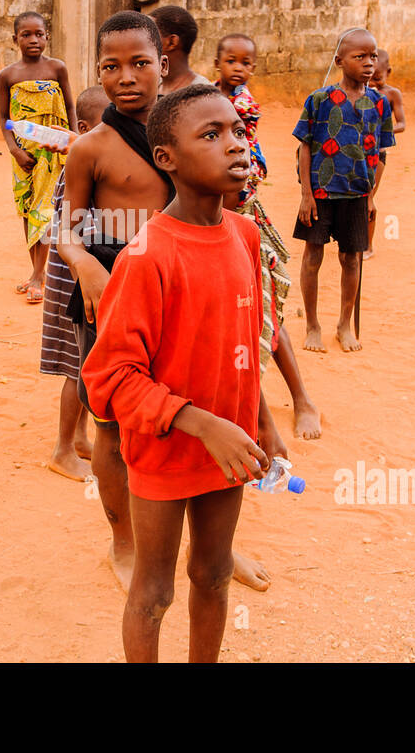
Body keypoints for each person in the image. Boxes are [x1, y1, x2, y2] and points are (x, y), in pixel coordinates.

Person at [58, 11, 271, 594]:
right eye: (110, 66)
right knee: (114, 427)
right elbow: (66, 227)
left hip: (192, 292)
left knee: (212, 404)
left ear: (164, 63)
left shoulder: (191, 124)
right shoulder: (91, 147)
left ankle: (218, 545)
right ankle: (123, 542)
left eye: (140, 63)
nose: (126, 77)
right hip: (116, 292)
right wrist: (86, 267)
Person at [83, 83, 282, 663]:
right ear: (165, 158)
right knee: (154, 591)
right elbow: (112, 377)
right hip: (167, 450)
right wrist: (198, 423)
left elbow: (245, 347)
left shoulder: (244, 236)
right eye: (212, 135)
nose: (236, 146)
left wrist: (260, 420)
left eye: (237, 131)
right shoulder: (147, 256)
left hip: (229, 449)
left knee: (214, 573)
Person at [216, 33, 322, 440]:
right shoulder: (207, 97)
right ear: (218, 62)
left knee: (265, 314)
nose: (238, 68)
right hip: (212, 222)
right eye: (231, 61)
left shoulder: (244, 107)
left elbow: (244, 167)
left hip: (241, 219)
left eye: (246, 63)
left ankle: (301, 401)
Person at [292, 27, 395, 353]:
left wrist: (372, 197)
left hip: (357, 195)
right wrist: (306, 194)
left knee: (352, 260)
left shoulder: (379, 104)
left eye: (373, 56)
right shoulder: (319, 100)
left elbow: (381, 154)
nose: (369, 63)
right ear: (339, 60)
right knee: (313, 257)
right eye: (360, 56)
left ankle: (344, 324)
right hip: (321, 194)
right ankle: (312, 324)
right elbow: (304, 148)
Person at [39, 86, 106, 481]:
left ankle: (80, 436)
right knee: (76, 365)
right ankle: (63, 448)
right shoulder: (83, 162)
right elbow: (76, 227)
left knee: (86, 359)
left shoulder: (102, 156)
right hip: (74, 273)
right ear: (82, 128)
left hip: (85, 268)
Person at [0, 12, 77, 304]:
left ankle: (40, 275)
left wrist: (72, 142)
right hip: (22, 154)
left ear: (47, 36)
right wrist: (15, 151)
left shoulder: (57, 68)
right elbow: (5, 119)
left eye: (39, 34)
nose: (34, 40)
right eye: (26, 35)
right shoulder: (8, 75)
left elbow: (70, 108)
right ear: (15, 39)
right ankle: (35, 270)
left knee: (45, 210)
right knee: (28, 209)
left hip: (51, 153)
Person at [365, 49, 407, 259]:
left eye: (378, 79)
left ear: (388, 72)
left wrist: (380, 130)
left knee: (368, 197)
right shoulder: (359, 92)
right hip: (358, 154)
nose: (372, 84)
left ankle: (368, 245)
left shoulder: (391, 94)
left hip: (378, 153)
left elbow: (402, 123)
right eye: (369, 79)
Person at [149, 5, 211, 93]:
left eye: (150, 35)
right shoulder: (153, 85)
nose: (143, 40)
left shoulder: (203, 93)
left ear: (172, 42)